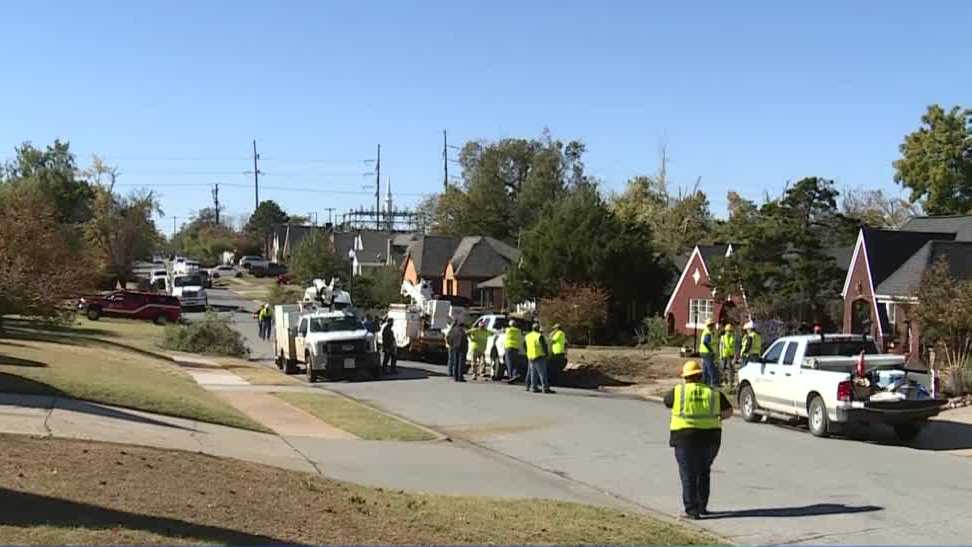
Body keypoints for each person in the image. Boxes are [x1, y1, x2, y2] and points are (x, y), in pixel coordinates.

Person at [663, 360, 733, 520]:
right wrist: (717, 417)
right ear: (701, 376)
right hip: (711, 439)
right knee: (703, 471)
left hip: (684, 438)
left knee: (688, 474)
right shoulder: (713, 393)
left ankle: (691, 510)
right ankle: (702, 507)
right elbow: (729, 411)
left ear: (685, 377)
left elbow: (667, 402)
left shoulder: (678, 391)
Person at [525, 322, 553, 394]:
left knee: (533, 373)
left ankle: (533, 387)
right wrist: (546, 354)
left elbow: (524, 345)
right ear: (538, 329)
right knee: (542, 373)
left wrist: (527, 352)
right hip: (539, 356)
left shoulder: (527, 336)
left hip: (530, 356)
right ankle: (545, 388)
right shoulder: (539, 336)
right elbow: (543, 346)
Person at [698, 319, 719, 386]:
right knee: (711, 368)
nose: (713, 326)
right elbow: (705, 342)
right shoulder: (708, 333)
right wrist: (711, 351)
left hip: (704, 352)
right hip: (707, 353)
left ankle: (705, 383)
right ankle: (714, 383)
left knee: (705, 369)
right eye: (712, 325)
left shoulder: (707, 331)